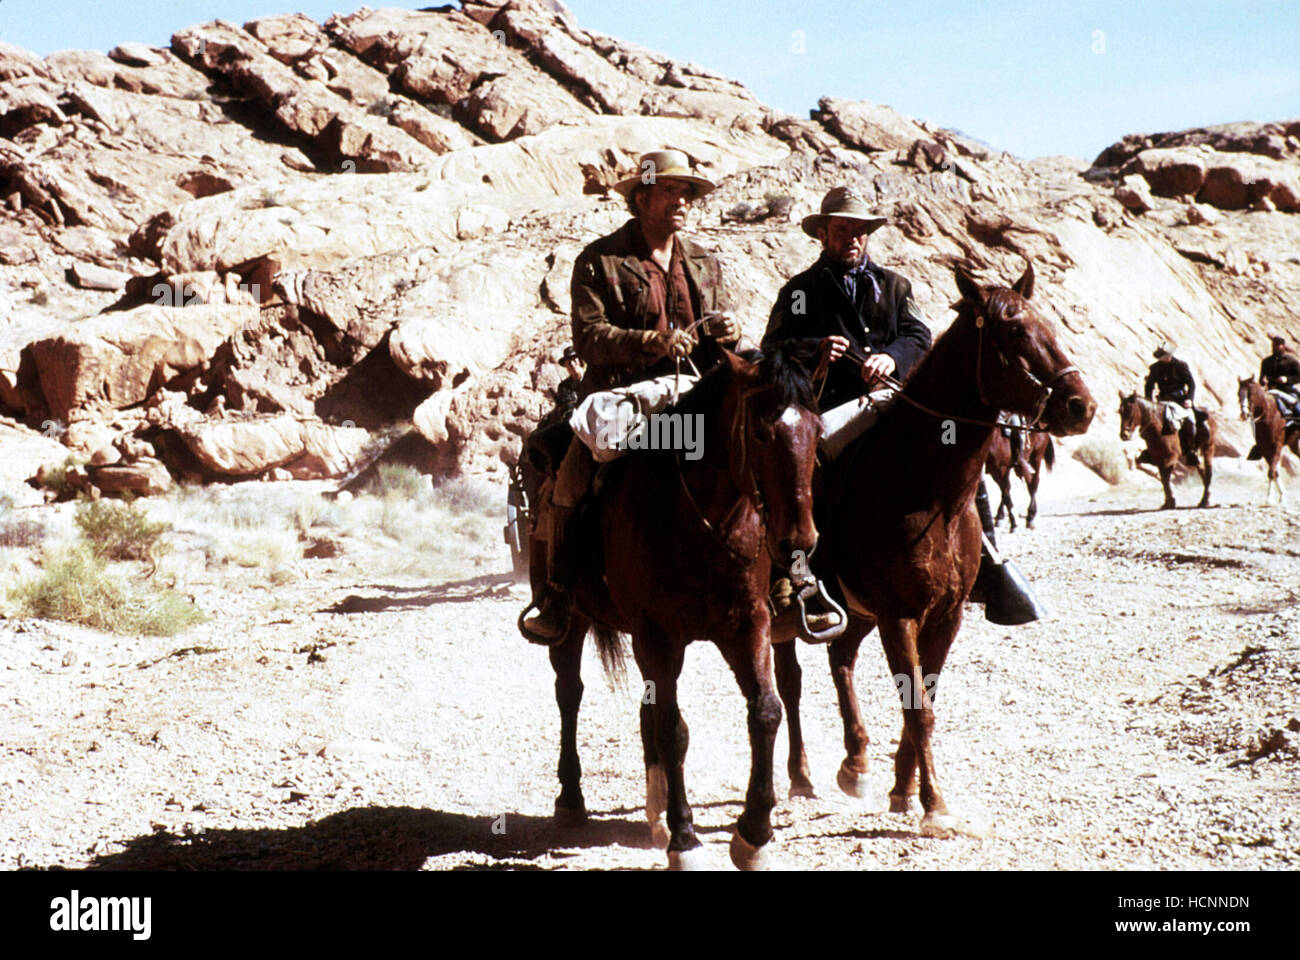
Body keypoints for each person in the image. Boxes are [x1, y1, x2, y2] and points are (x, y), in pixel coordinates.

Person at [763, 186, 1042, 625]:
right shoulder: (800, 291)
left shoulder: (895, 285)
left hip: (895, 396)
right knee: (808, 465)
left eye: (859, 231)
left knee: (964, 458)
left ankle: (988, 561)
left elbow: (918, 336)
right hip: (832, 405)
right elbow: (772, 348)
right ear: (823, 234)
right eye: (842, 230)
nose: (852, 238)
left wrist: (891, 356)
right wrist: (816, 348)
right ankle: (802, 576)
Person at [520, 150, 741, 644]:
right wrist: (651, 343)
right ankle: (557, 593)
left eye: (687, 193)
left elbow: (718, 330)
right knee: (570, 483)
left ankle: (787, 582)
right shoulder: (599, 260)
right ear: (641, 198)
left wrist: (728, 330)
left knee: (764, 451)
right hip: (621, 400)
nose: (681, 201)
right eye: (670, 191)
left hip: (693, 397)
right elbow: (589, 337)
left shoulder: (703, 261)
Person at [1144, 343, 1200, 466]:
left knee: (1191, 421)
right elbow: (1149, 386)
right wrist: (1149, 400)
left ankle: (1191, 450)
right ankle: (1149, 451)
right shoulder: (1155, 368)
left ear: (1169, 355)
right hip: (1163, 400)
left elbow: (1191, 384)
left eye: (1163, 355)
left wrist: (1189, 399)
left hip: (1180, 401)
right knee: (1150, 423)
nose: (1161, 358)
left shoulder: (1181, 366)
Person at [1260, 335, 1300, 423]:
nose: (1275, 347)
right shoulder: (1266, 362)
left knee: (1297, 408)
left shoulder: (1291, 361)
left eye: (1278, 345)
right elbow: (1262, 378)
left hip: (1287, 390)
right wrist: (1263, 381)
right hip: (1271, 390)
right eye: (1274, 345)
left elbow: (1298, 377)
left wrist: (1287, 379)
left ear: (1283, 346)